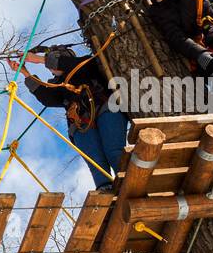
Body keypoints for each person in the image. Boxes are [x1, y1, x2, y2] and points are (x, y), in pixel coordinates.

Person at [12, 45, 127, 191]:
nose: (51, 67)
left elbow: (72, 65)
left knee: (114, 151)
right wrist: (25, 73)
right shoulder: (59, 85)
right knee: (96, 164)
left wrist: (41, 59)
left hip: (105, 109)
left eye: (54, 62)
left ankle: (130, 181)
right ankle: (105, 191)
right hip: (80, 123)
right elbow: (48, 98)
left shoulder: (86, 64)